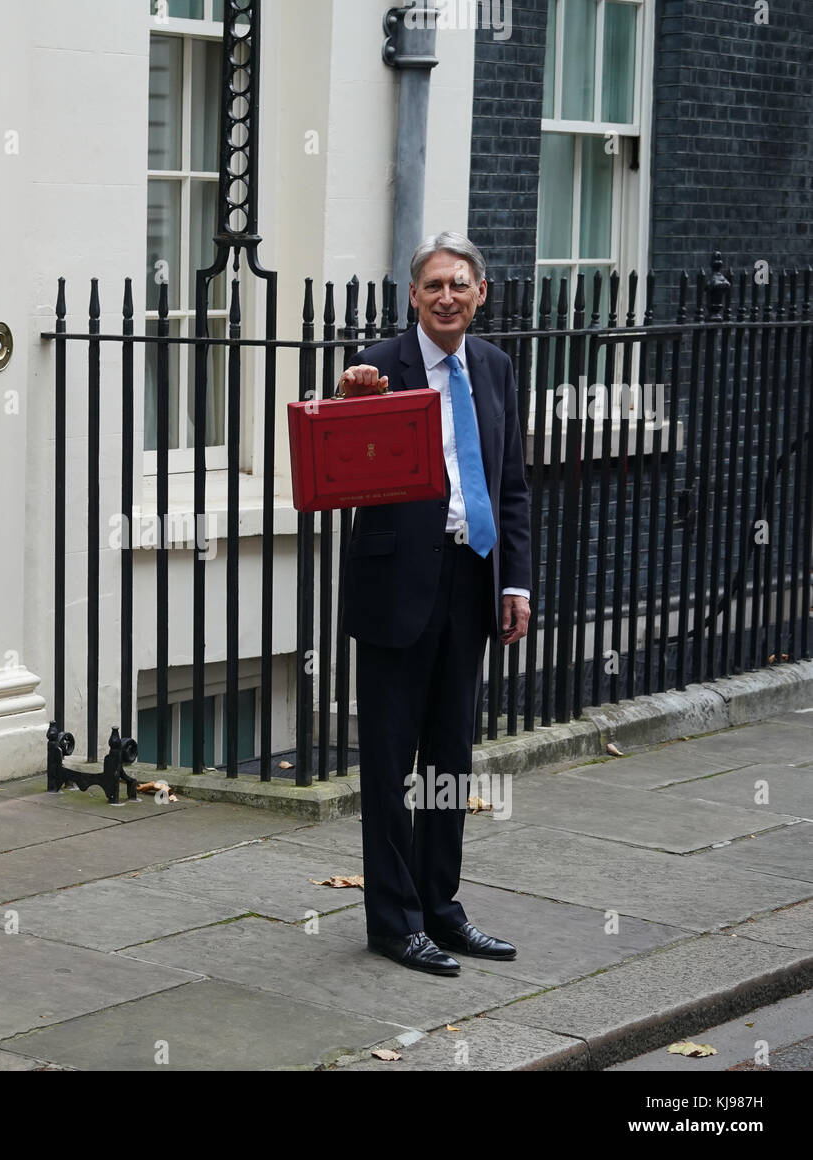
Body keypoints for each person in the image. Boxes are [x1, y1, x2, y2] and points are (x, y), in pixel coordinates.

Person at [335, 232, 531, 976]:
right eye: (432, 286)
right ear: (413, 296)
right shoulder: (376, 368)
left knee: (449, 758)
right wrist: (352, 408)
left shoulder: (494, 367)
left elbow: (511, 484)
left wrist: (515, 582)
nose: (446, 296)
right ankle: (394, 921)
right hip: (395, 588)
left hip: (471, 577)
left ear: (480, 293)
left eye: (459, 284)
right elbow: (341, 469)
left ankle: (441, 911)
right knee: (390, 763)